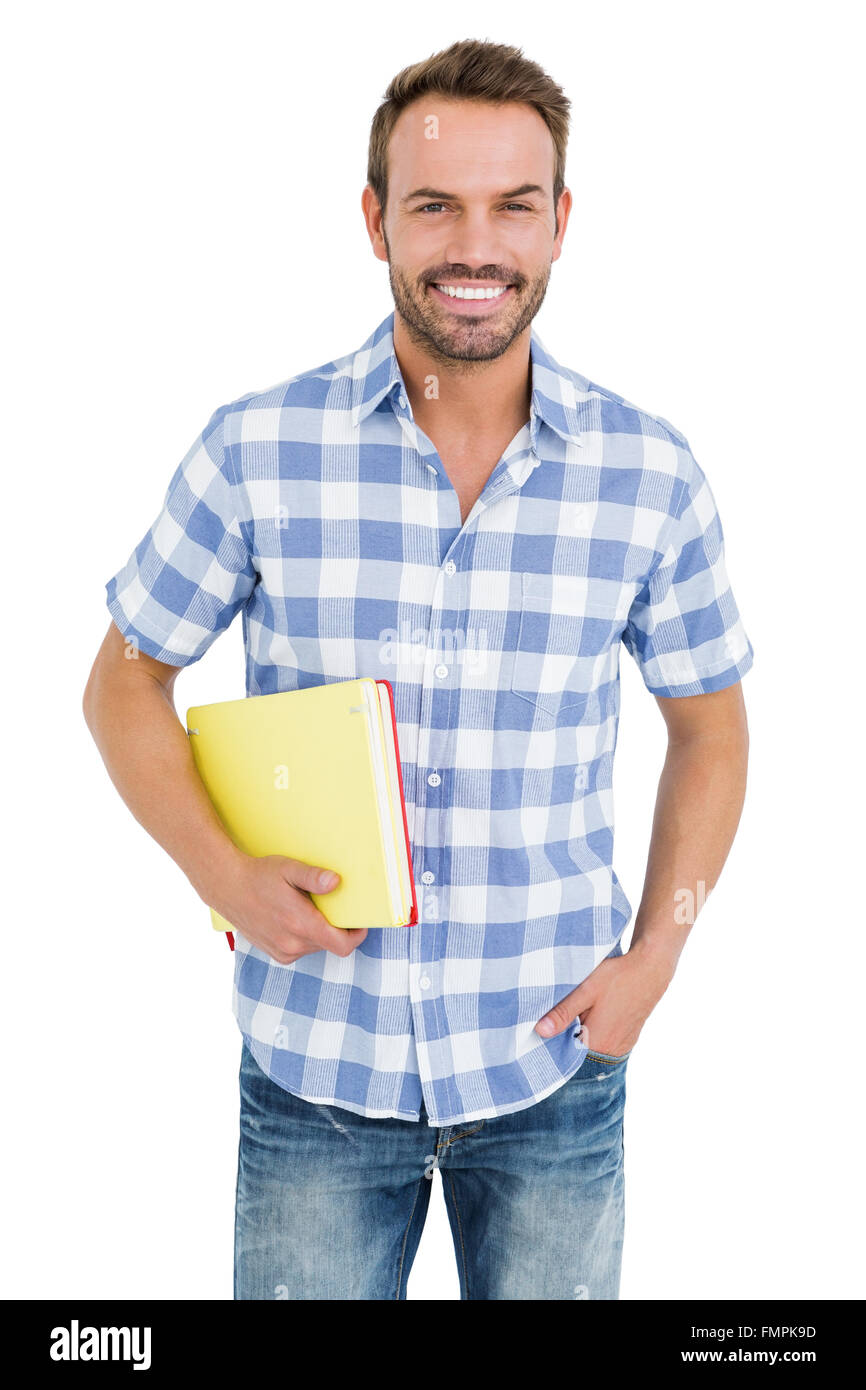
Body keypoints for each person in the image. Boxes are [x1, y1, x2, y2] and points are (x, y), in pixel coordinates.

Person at [83, 38, 753, 1301]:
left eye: (512, 206)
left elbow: (710, 731)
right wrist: (219, 870)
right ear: (373, 219)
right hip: (315, 1077)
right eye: (434, 204)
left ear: (559, 225)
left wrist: (654, 962)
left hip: (552, 1068)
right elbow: (122, 679)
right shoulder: (255, 449)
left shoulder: (648, 475)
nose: (473, 246)